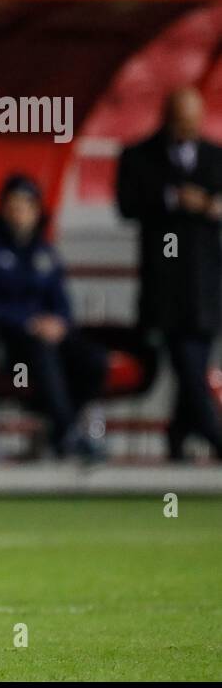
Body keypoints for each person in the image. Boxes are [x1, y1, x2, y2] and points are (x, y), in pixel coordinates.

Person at [0, 174, 108, 459]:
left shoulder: (44, 252)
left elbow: (61, 301)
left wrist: (59, 323)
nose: (19, 212)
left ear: (37, 211)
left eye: (26, 205)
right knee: (42, 351)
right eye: (12, 205)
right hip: (6, 338)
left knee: (93, 360)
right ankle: (66, 433)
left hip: (48, 334)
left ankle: (64, 425)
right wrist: (26, 322)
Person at [117, 87, 222, 460]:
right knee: (188, 364)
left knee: (192, 367)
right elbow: (126, 205)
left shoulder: (215, 158)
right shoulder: (139, 156)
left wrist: (209, 205)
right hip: (166, 286)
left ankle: (177, 441)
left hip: (207, 285)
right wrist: (171, 199)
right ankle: (215, 435)